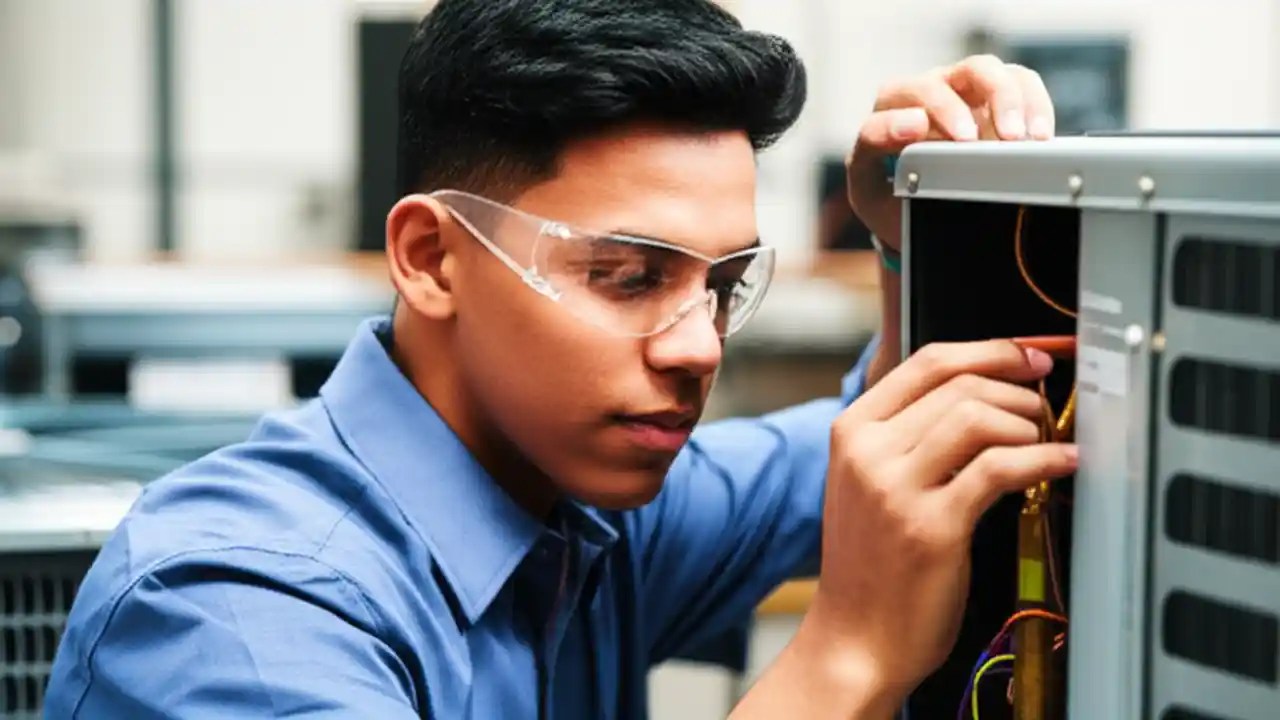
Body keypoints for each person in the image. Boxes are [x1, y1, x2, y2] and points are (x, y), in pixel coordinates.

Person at [44, 1, 1072, 718]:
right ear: (430, 259)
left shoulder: (586, 510)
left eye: (718, 286)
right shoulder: (239, 618)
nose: (697, 345)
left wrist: (907, 243)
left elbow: (885, 460)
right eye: (626, 275)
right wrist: (844, 660)